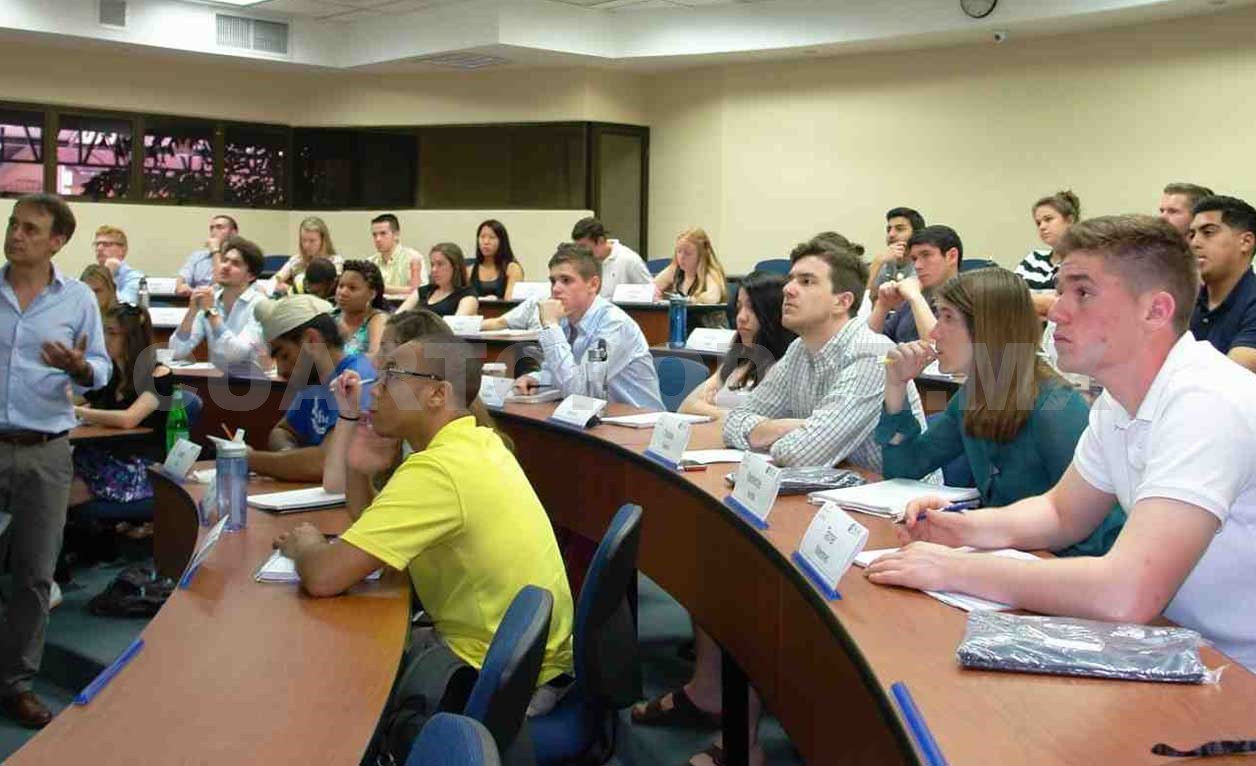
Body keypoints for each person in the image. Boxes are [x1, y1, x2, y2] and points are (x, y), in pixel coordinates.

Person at [867, 215, 1256, 674]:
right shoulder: (1119, 401)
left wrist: (953, 568)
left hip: (1236, 672)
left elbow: (1126, 591)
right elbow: (1060, 514)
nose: (1055, 310)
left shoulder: (1207, 401)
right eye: (1061, 290)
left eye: (1083, 293)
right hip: (1177, 643)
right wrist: (958, 530)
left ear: (1155, 311)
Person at [272, 332, 574, 736]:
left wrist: (306, 546)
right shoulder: (475, 442)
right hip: (527, 665)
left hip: (496, 681)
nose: (373, 389)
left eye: (391, 376)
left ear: (436, 394)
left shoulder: (438, 471)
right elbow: (376, 540)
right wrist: (360, 470)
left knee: (330, 681)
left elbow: (326, 576)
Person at [877, 268, 1124, 557]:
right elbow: (904, 469)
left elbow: (1099, 536)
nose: (934, 332)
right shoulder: (973, 396)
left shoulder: (1056, 408)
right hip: (1004, 559)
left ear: (988, 328)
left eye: (947, 318)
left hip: (1054, 575)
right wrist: (896, 385)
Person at [0, 193, 110, 728]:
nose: (16, 234)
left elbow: (103, 371)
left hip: (45, 451)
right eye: (13, 224)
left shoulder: (78, 299)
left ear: (57, 241)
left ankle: (16, 684)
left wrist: (77, 367)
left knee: (34, 574)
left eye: (30, 228)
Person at [724, 237, 929, 469]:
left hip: (905, 500)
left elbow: (799, 455)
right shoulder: (798, 350)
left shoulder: (873, 355)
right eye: (791, 279)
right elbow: (734, 421)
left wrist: (768, 433)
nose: (788, 289)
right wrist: (791, 427)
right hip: (839, 492)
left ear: (842, 302)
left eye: (806, 281)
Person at [321, 309, 514, 492]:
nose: (374, 362)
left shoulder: (445, 455)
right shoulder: (399, 414)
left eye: (386, 351)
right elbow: (335, 485)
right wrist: (348, 413)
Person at [513, 243, 664, 410]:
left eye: (566, 280)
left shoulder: (614, 326)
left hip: (637, 424)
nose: (555, 289)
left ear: (593, 284)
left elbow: (582, 393)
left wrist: (550, 327)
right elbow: (559, 374)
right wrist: (537, 379)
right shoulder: (563, 320)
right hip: (599, 419)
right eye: (553, 281)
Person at [248, 294, 375, 482]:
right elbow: (283, 431)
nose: (281, 370)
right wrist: (289, 457)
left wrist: (249, 460)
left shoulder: (358, 379)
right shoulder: (313, 381)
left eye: (284, 356)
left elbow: (327, 463)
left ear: (312, 340)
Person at [70, 304, 174, 510]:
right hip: (101, 458)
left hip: (137, 466)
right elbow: (77, 398)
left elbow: (129, 418)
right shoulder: (111, 375)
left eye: (112, 333)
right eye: (102, 332)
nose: (103, 339)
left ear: (131, 338)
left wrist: (77, 411)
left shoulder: (159, 375)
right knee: (45, 481)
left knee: (54, 499)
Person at [679, 271, 795, 419]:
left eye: (752, 309)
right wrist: (730, 414)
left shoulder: (785, 365)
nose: (741, 317)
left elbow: (759, 423)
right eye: (739, 308)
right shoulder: (738, 359)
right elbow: (686, 406)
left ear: (773, 313)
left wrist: (709, 408)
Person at [167, 235, 269, 377]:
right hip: (216, 383)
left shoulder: (260, 305)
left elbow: (238, 355)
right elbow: (176, 351)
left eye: (235, 263)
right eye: (224, 260)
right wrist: (191, 312)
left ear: (250, 276)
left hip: (251, 385)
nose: (225, 266)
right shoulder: (210, 299)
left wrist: (212, 313)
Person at [1188, 195, 1256, 372]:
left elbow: (1232, 378)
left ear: (1246, 242)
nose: (1194, 243)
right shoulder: (1184, 299)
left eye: (1208, 232)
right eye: (1192, 234)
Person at [868, 224, 962, 343]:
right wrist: (882, 306)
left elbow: (943, 350)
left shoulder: (969, 300)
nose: (917, 266)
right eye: (914, 259)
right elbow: (867, 344)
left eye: (926, 255)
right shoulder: (914, 299)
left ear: (952, 256)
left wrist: (915, 298)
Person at [1014, 190, 1080, 317]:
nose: (1042, 227)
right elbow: (1009, 298)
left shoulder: (1083, 261)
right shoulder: (1033, 259)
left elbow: (1066, 308)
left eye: (1048, 219)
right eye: (1038, 223)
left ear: (1070, 220)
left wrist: (1027, 302)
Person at [571, 216, 652, 299]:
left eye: (584, 246)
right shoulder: (585, 262)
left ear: (600, 241)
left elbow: (650, 293)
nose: (582, 251)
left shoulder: (629, 260)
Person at [652, 228, 728, 307]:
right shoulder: (674, 270)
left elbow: (713, 297)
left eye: (688, 253)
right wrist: (655, 294)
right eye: (679, 251)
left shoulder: (711, 273)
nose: (681, 257)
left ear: (701, 256)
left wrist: (692, 300)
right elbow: (650, 288)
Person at [399, 243, 479, 317]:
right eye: (432, 264)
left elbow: (455, 326)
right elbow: (396, 318)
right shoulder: (423, 291)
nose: (434, 269)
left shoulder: (467, 296)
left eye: (440, 264)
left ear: (455, 267)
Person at [866, 206, 925, 300]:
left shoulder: (923, 265)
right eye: (889, 229)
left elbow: (903, 303)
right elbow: (862, 301)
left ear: (916, 234)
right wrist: (877, 262)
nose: (891, 235)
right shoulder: (884, 262)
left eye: (900, 229)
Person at [333, 260, 389, 357]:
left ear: (372, 294)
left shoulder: (377, 319)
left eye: (352, 288)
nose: (343, 292)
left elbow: (376, 357)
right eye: (341, 286)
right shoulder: (331, 318)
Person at [275, 216, 340, 295]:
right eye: (304, 240)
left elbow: (330, 290)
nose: (307, 245)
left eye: (312, 241)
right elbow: (275, 282)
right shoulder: (296, 260)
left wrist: (292, 289)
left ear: (323, 241)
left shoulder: (335, 262)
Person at [174, 214, 238, 296]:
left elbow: (219, 286)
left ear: (233, 233)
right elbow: (182, 279)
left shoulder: (239, 257)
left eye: (219, 227)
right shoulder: (197, 256)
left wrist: (215, 251)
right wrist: (181, 286)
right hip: (196, 300)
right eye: (212, 228)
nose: (214, 231)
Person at [367, 213, 425, 296]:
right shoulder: (370, 262)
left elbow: (420, 292)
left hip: (404, 307)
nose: (378, 239)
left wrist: (381, 288)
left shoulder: (413, 258)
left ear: (396, 235)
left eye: (383, 233)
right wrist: (405, 290)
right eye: (374, 235)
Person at [467, 219, 524, 300]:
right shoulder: (470, 270)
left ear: (501, 241)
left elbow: (510, 301)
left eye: (492, 237)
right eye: (482, 237)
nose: (486, 242)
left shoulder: (512, 268)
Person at [91, 225, 144, 305]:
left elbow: (124, 307)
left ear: (123, 250)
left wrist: (108, 275)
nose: (99, 248)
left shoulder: (136, 278)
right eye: (97, 244)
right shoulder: (91, 275)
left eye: (106, 244)